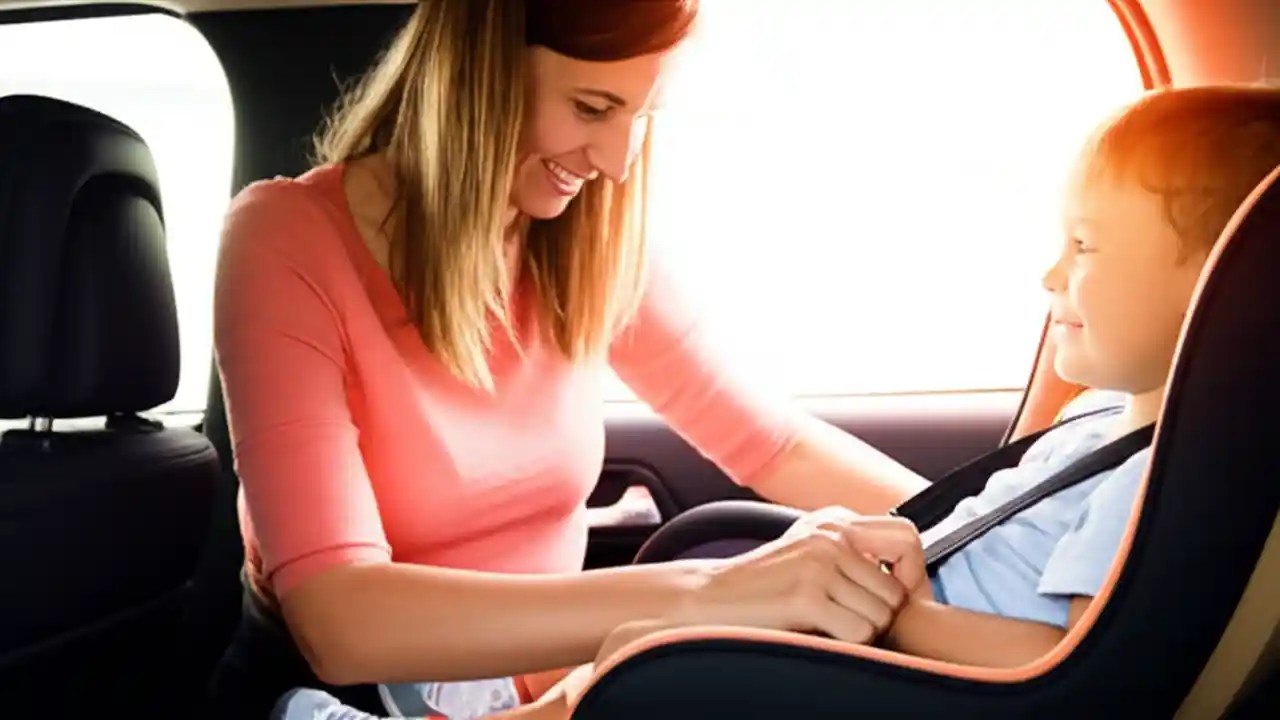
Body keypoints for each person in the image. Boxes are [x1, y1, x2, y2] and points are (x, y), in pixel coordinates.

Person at [272, 83, 1280, 720]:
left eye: (1088, 247)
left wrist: (892, 602)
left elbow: (1067, 658)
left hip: (914, 661)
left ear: (1218, 282)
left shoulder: (1153, 476)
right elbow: (972, 533)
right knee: (664, 607)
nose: (1047, 274)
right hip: (902, 623)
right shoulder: (1105, 427)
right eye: (594, 107)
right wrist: (867, 548)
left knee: (648, 652)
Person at [208, 1, 934, 717]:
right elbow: (342, 621)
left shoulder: (582, 243)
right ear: (478, 71)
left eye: (642, 116)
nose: (617, 164)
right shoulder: (288, 242)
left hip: (551, 696)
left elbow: (775, 446)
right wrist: (716, 592)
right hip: (344, 701)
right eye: (592, 108)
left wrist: (997, 516)